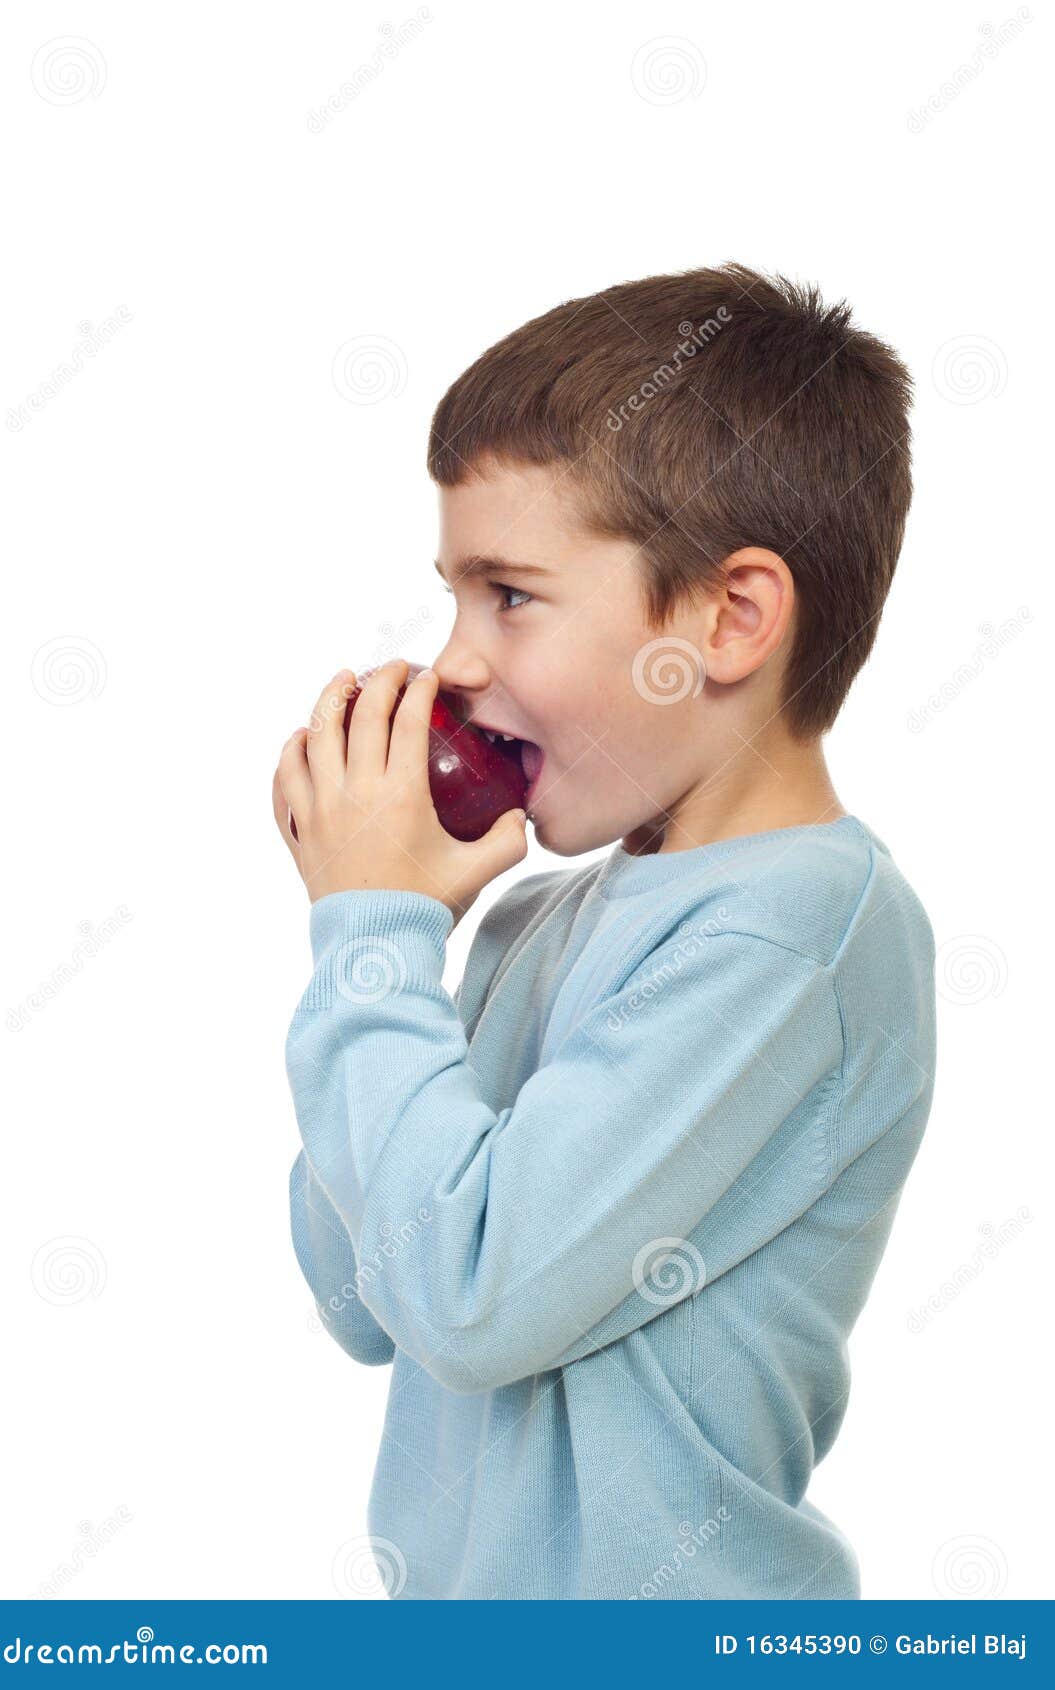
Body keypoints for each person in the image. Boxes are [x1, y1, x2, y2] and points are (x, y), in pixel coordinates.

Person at [274, 262, 936, 1600]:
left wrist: (373, 937)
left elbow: (471, 1297)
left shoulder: (794, 939)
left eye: (510, 595)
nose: (453, 659)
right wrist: (406, 933)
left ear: (726, 619)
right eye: (455, 595)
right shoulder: (535, 921)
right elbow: (363, 1292)